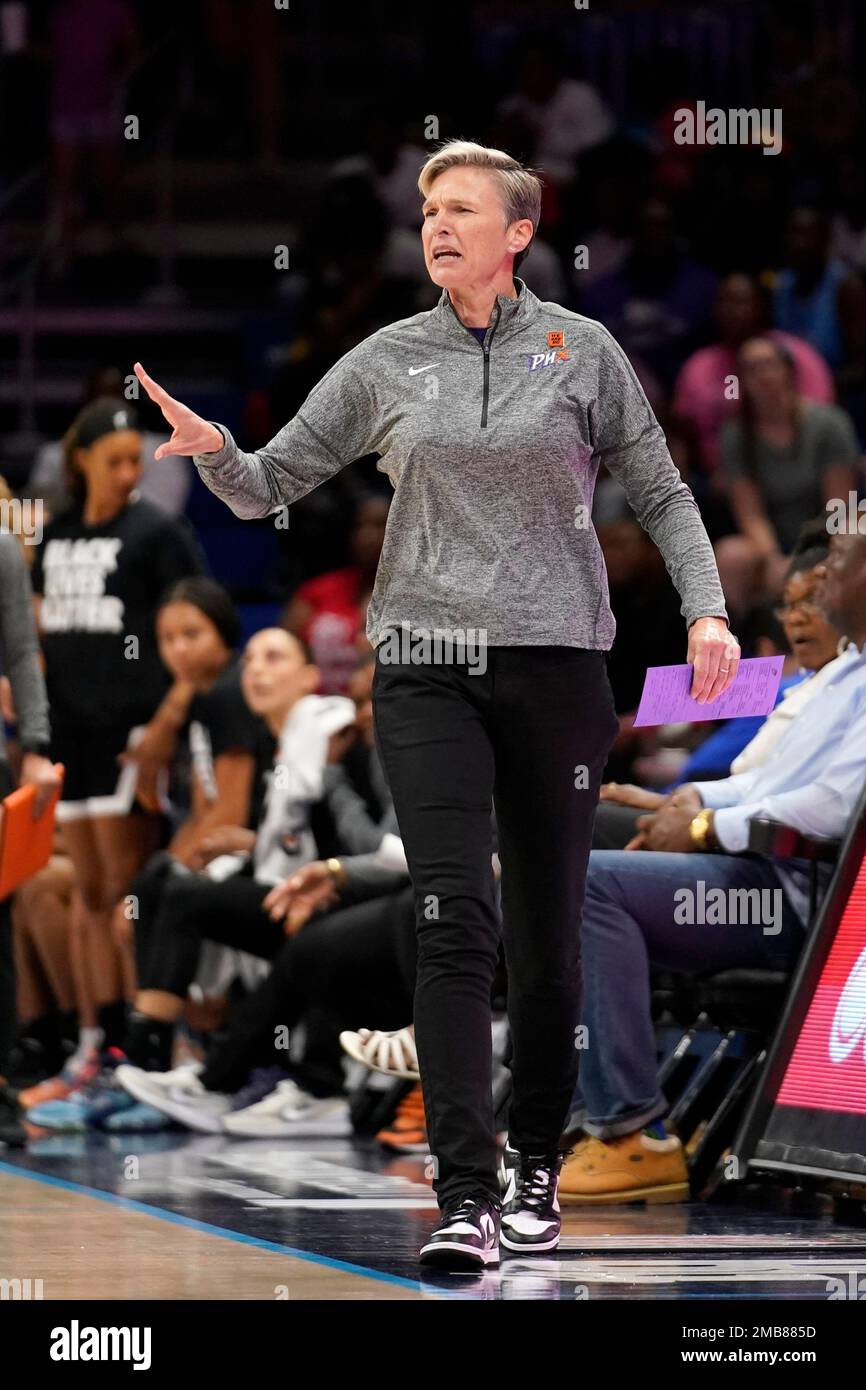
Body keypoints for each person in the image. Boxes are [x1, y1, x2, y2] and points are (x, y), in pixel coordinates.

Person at [133, 139, 738, 1270]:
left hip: (557, 665)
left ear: (518, 232)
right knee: (449, 915)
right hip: (420, 665)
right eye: (426, 210)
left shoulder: (582, 350)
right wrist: (214, 450)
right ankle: (463, 1193)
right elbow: (272, 479)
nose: (436, 225)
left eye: (461, 209)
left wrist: (704, 609)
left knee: (548, 943)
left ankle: (533, 1170)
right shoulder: (383, 358)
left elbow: (657, 486)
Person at [559, 530, 866, 1203]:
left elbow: (836, 806)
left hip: (813, 897)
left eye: (826, 578)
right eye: (788, 603)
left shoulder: (791, 676)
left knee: (582, 874)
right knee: (554, 860)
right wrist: (693, 802)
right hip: (753, 860)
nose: (802, 607)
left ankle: (630, 1131)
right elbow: (754, 780)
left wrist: (698, 821)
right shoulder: (832, 674)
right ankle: (572, 1107)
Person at [28, 397, 204, 1095]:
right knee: (88, 894)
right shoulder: (58, 535)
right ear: (81, 461)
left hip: (133, 732)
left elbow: (199, 631)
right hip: (70, 734)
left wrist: (167, 720)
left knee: (127, 893)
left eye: (136, 460)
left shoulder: (158, 533)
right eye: (117, 461)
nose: (130, 472)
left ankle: (145, 1050)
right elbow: (37, 635)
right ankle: (92, 1048)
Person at [714, 337, 860, 619]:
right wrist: (774, 561)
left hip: (829, 537)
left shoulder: (829, 423)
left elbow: (838, 510)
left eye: (768, 365)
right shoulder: (735, 435)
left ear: (789, 371)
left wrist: (806, 561)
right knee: (731, 555)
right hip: (772, 546)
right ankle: (750, 641)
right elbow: (751, 514)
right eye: (751, 369)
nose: (762, 375)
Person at [0, 530, 61, 1147]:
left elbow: (20, 652)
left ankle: (0, 1085)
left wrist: (36, 747)